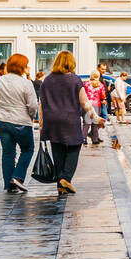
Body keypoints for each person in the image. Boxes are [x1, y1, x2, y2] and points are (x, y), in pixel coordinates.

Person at [40, 50, 95, 196]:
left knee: (57, 150)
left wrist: (41, 125)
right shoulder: (75, 80)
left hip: (51, 121)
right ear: (71, 63)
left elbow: (41, 104)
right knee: (74, 147)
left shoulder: (47, 80)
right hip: (69, 119)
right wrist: (95, 117)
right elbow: (85, 103)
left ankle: (60, 185)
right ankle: (65, 178)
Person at [0, 53, 40, 193]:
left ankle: (9, 184)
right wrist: (31, 116)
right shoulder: (26, 83)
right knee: (28, 150)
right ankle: (18, 177)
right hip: (21, 122)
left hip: (2, 122)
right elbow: (33, 105)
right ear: (21, 67)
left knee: (8, 153)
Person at [83, 72, 106, 145]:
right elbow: (103, 96)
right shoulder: (101, 85)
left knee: (86, 123)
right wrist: (102, 100)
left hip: (87, 105)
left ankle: (84, 138)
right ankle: (94, 139)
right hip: (96, 105)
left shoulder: (86, 84)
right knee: (95, 123)